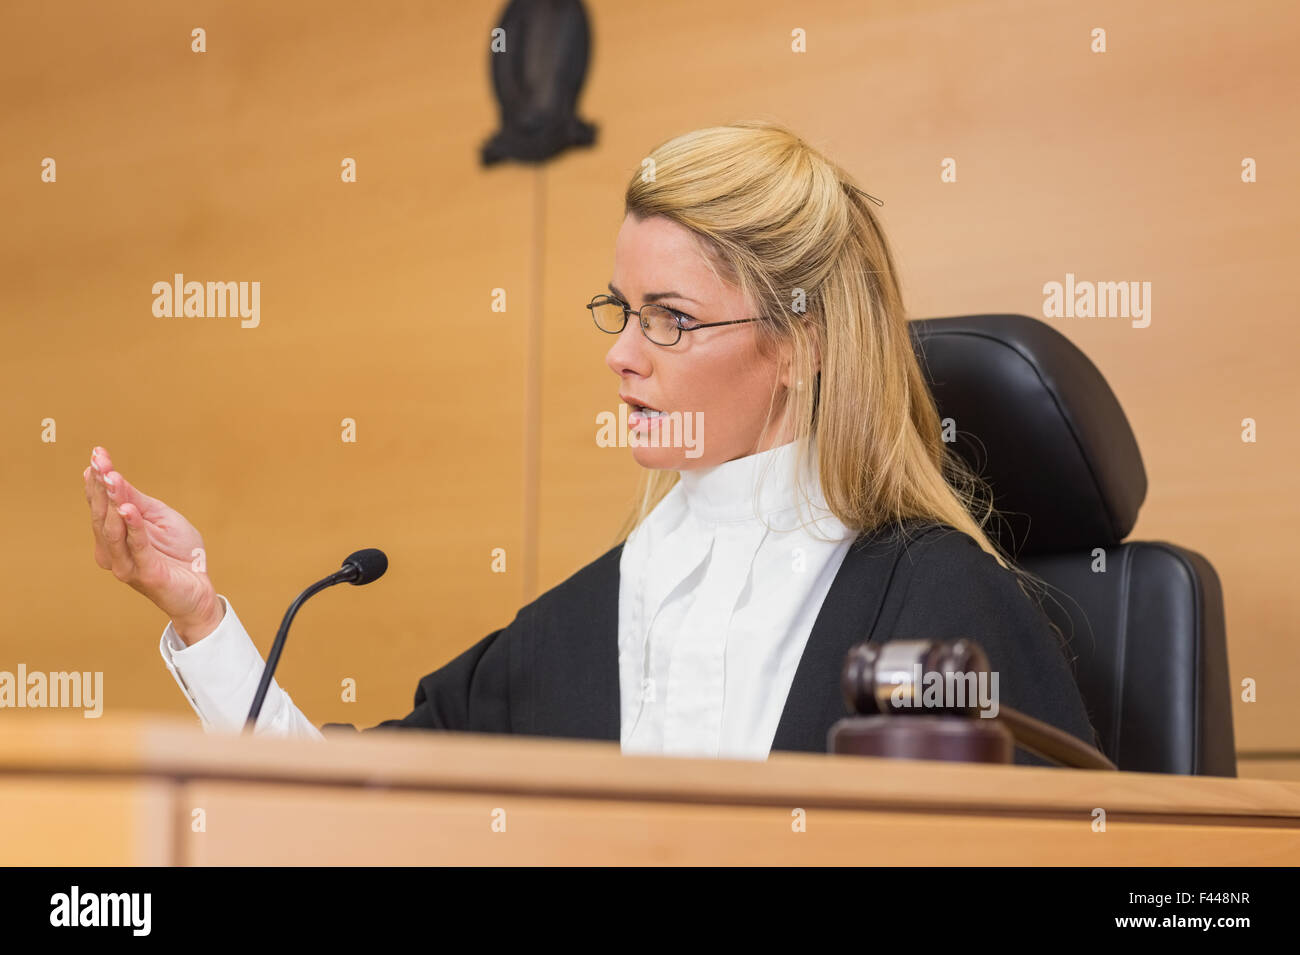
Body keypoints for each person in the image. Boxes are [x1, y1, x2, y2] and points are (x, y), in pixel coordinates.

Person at [84, 120, 1100, 765]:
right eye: (619, 309)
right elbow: (360, 810)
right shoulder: (587, 617)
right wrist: (202, 615)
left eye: (670, 316)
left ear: (801, 343)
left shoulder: (939, 605)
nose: (621, 356)